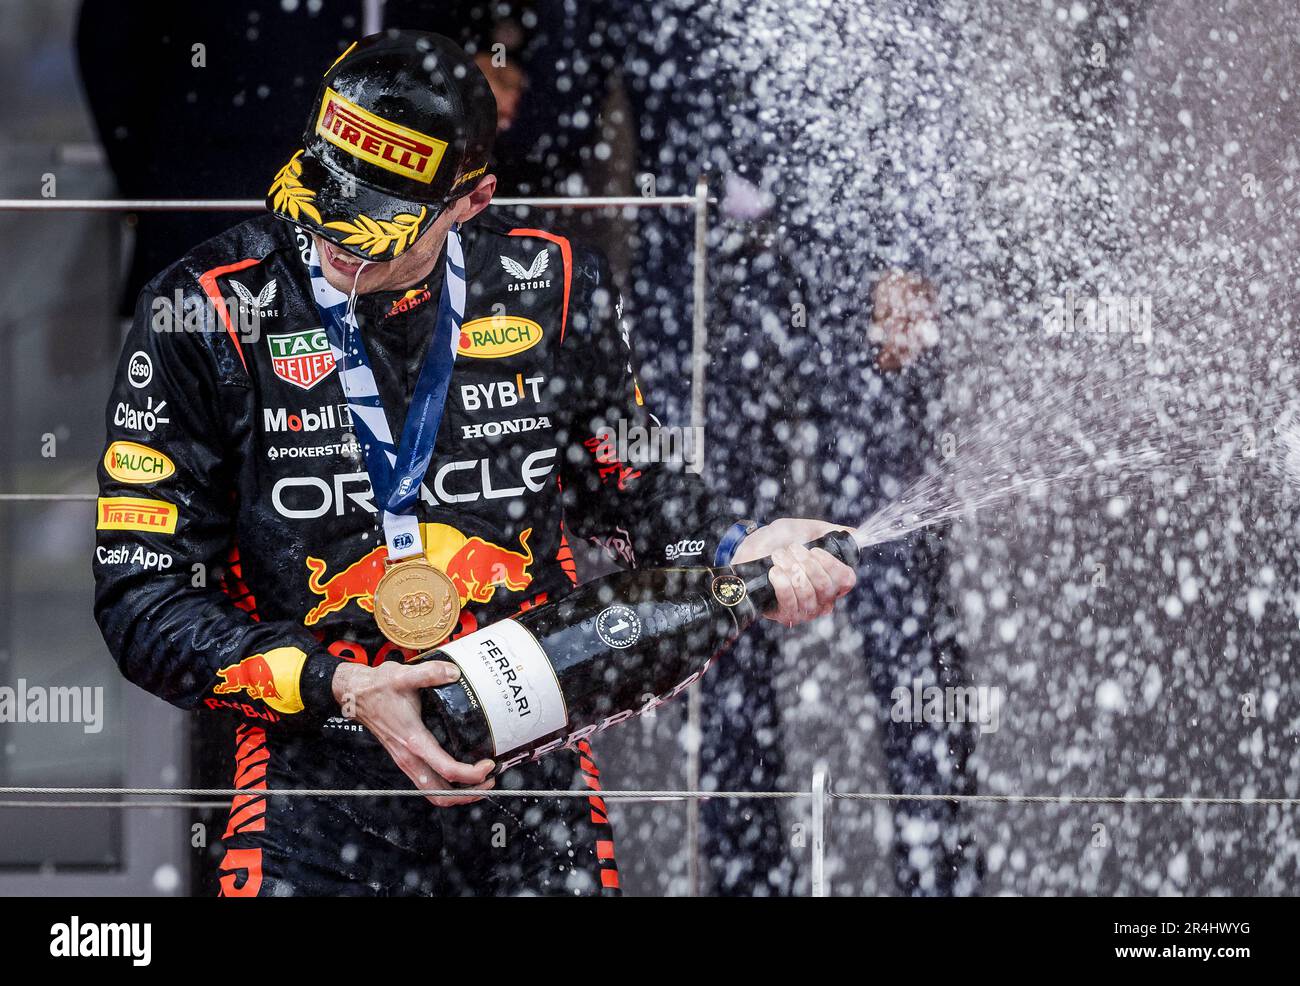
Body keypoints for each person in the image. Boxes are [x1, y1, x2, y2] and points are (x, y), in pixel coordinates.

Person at [92, 29, 855, 897]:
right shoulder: (201, 310)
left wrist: (740, 544)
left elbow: (637, 494)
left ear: (473, 198)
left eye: (375, 231)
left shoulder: (551, 283)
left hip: (533, 773)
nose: (340, 247)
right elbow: (140, 599)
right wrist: (341, 684)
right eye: (323, 204)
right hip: (317, 790)